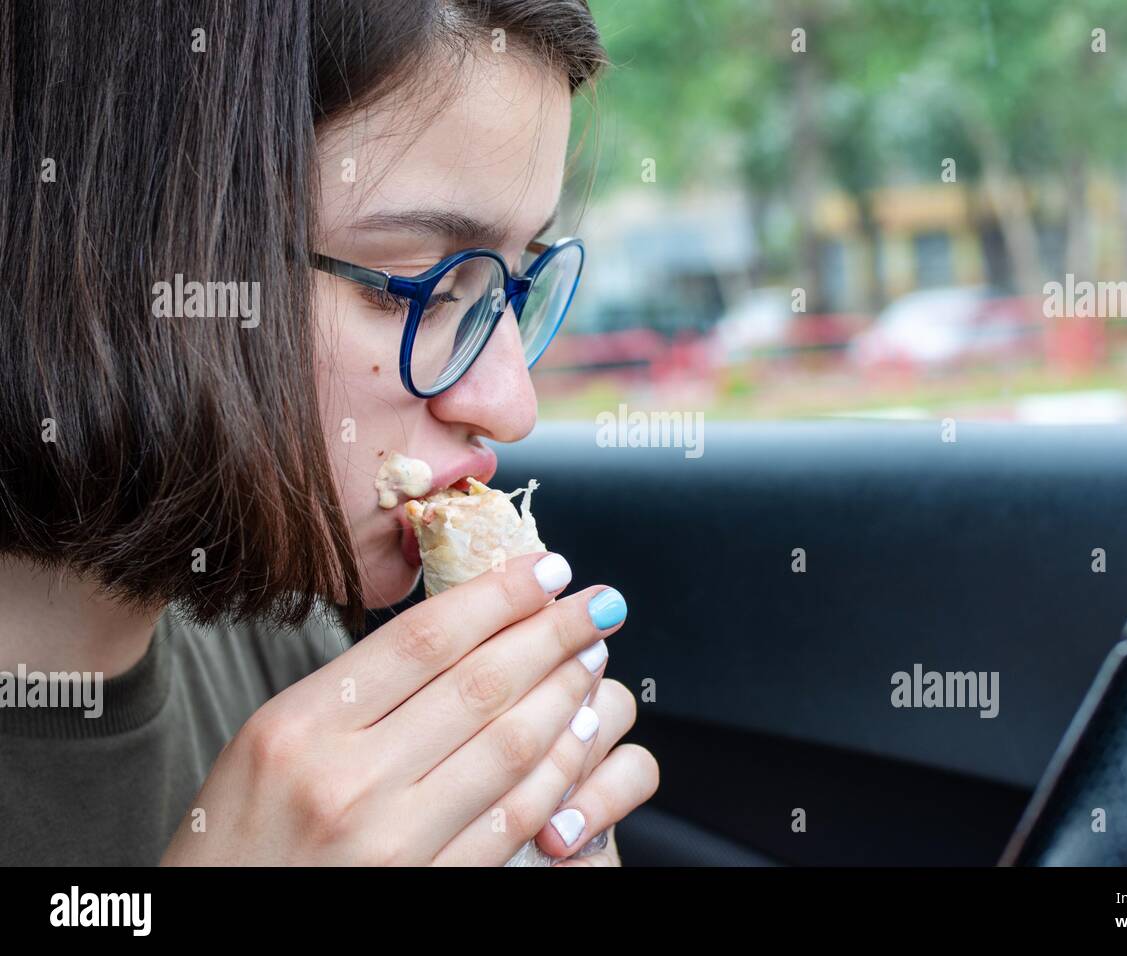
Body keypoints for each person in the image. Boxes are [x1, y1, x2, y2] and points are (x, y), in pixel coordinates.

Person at [0, 0, 658, 866]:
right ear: (137, 256)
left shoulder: (286, 639)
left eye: (508, 287)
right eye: (414, 283)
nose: (510, 404)